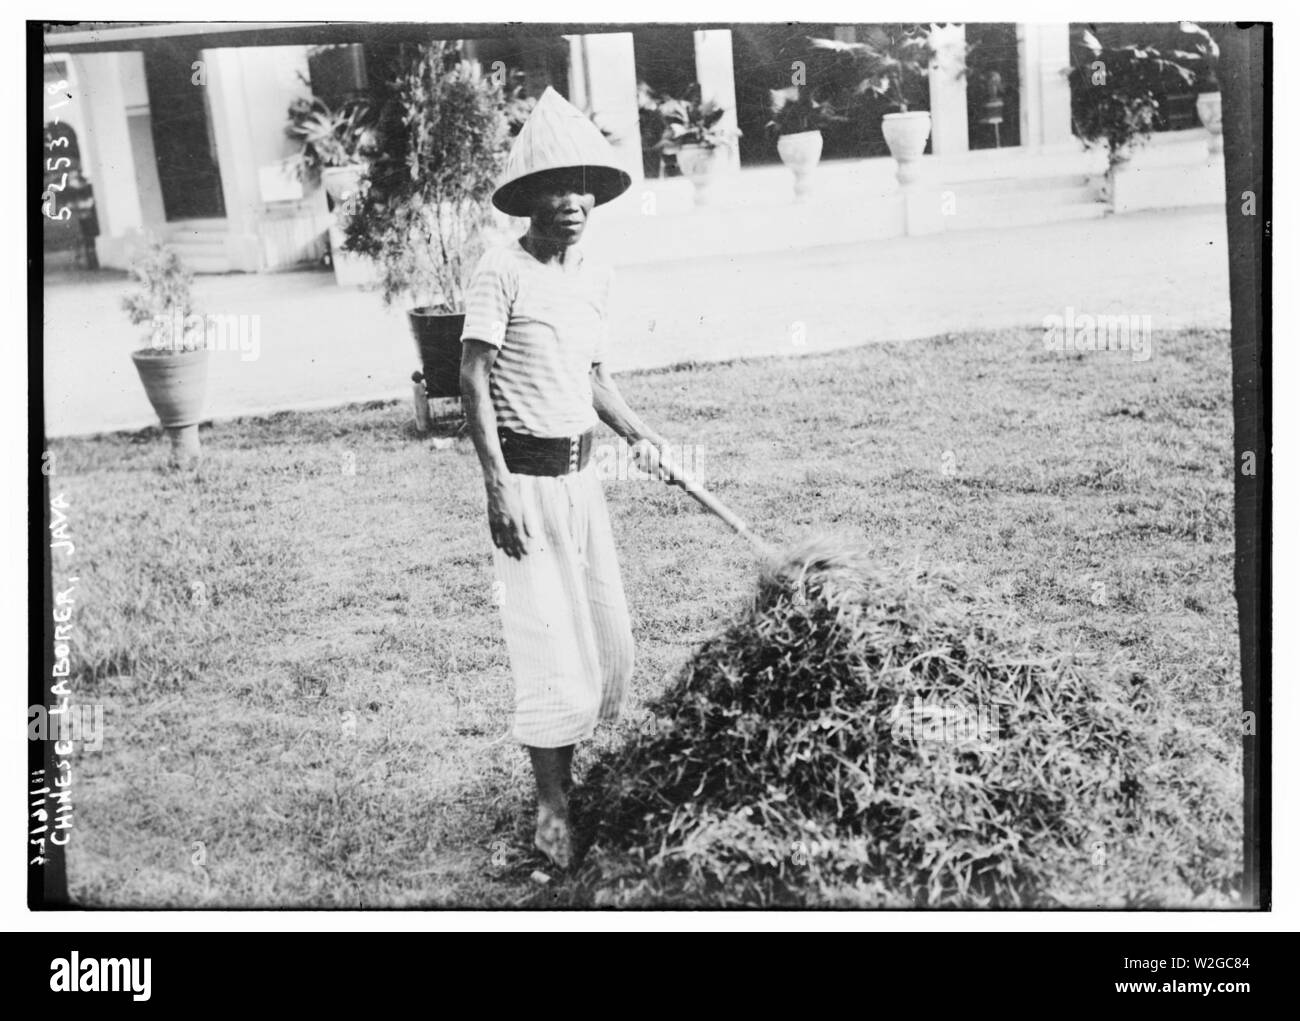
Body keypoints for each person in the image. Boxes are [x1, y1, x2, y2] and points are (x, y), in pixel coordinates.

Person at [459, 88, 672, 868]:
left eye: (582, 184)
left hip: (584, 486)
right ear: (527, 199)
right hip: (529, 487)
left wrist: (644, 437)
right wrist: (496, 487)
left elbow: (592, 376)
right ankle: (551, 806)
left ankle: (579, 781)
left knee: (603, 632)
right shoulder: (499, 271)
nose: (572, 200)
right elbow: (472, 380)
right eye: (554, 186)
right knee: (548, 643)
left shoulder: (594, 276)